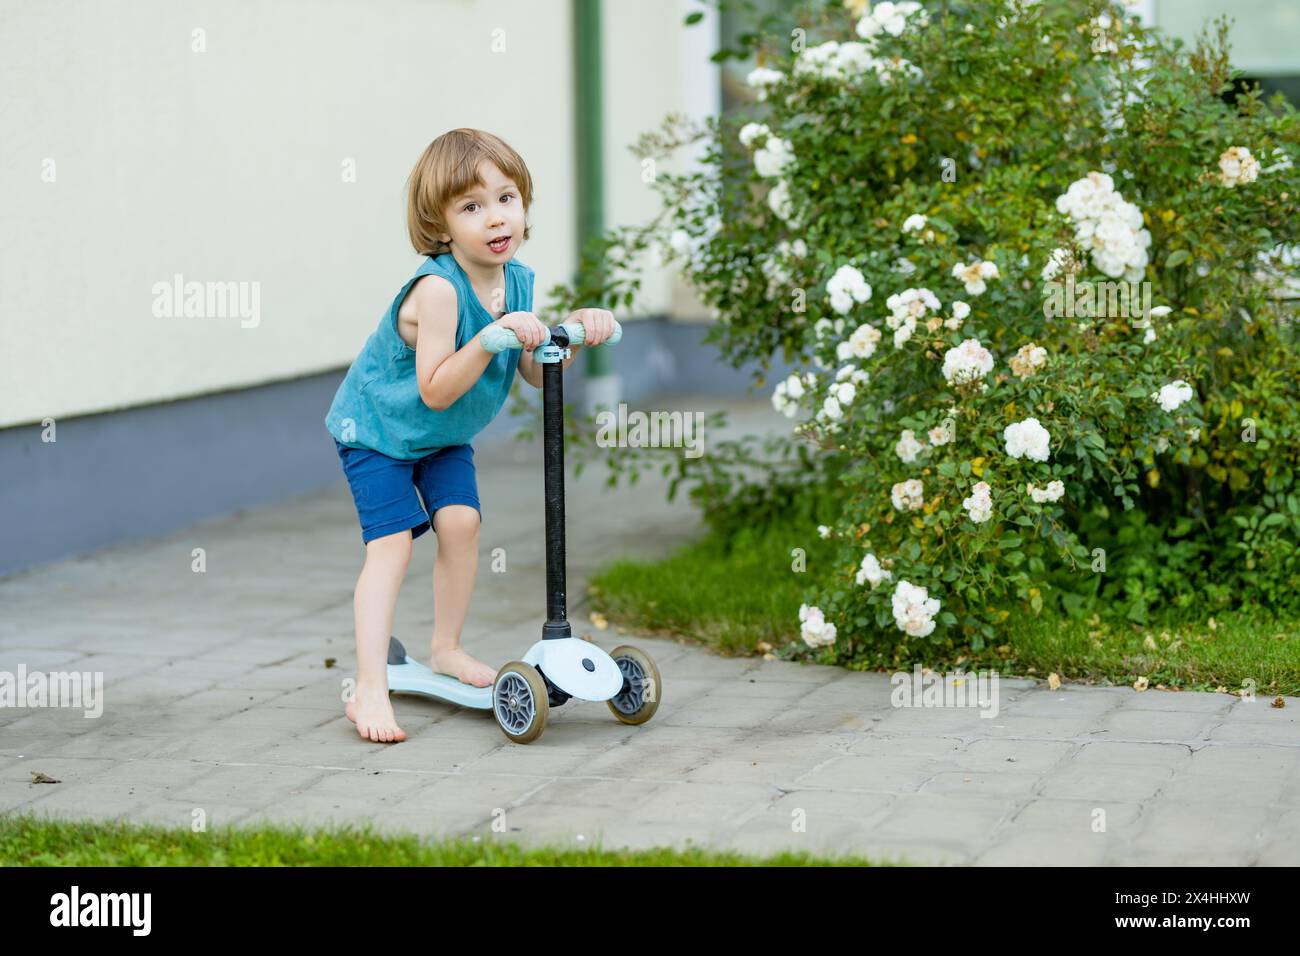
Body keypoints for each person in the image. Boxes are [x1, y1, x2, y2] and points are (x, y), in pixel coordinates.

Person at [324, 128, 615, 742]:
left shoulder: (517, 281)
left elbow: (536, 372)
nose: (495, 218)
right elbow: (434, 387)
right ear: (441, 225)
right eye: (471, 207)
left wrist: (572, 332)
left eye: (506, 198)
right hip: (378, 432)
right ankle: (370, 689)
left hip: (439, 437)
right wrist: (490, 337)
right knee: (393, 546)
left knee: (461, 524)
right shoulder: (437, 290)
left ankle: (446, 647)